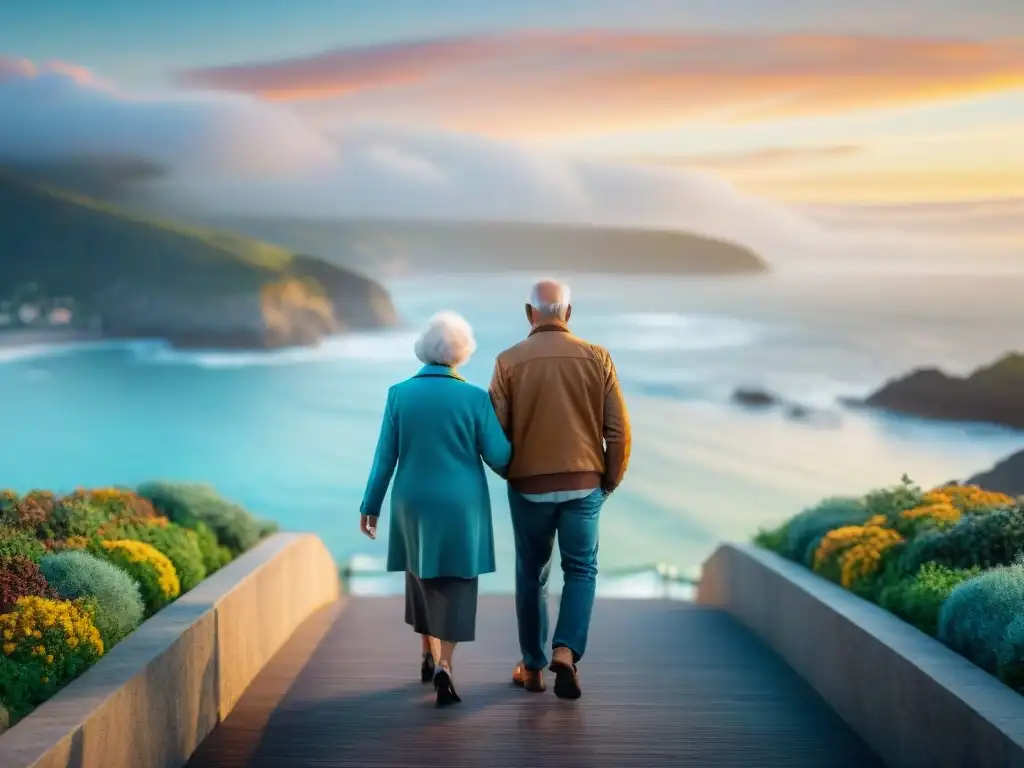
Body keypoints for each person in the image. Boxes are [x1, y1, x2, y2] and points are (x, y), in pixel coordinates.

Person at [359, 311, 511, 707]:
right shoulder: (477, 398)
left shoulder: (399, 394)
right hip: (462, 507)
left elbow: (383, 459)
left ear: (424, 349)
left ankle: (427, 653)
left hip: (414, 502)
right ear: (462, 353)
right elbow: (500, 457)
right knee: (457, 585)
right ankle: (445, 663)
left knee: (422, 577)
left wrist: (370, 506)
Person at [488, 278, 631, 700]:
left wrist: (511, 473)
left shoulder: (506, 362)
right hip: (584, 486)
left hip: (528, 487)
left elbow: (494, 438)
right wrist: (607, 482)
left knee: (531, 575)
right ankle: (565, 650)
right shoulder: (597, 357)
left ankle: (533, 669)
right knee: (581, 570)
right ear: (568, 313)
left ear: (529, 313)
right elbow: (618, 433)